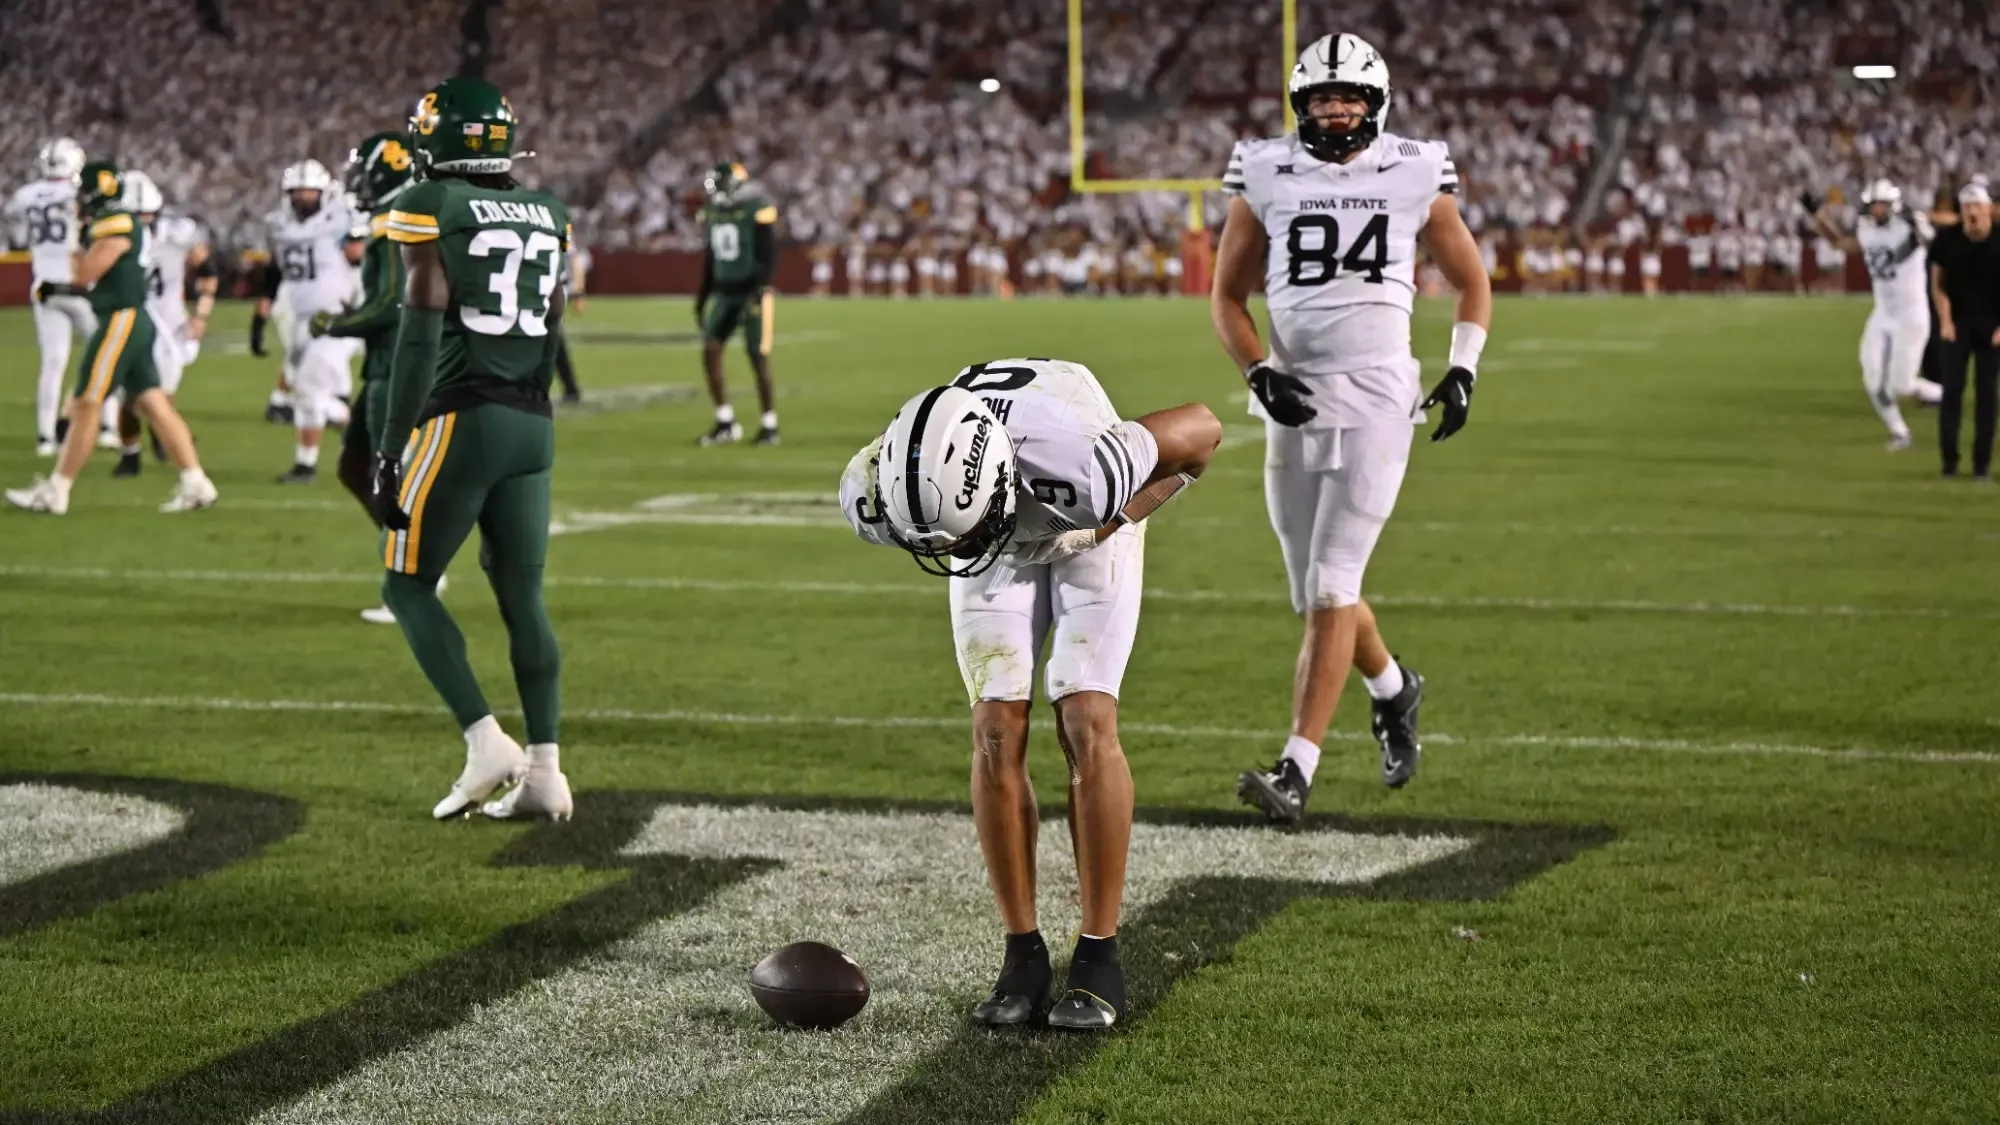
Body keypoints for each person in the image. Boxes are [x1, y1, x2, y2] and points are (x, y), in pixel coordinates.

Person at [839, 359, 1220, 1031]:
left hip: (1074, 514)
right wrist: (960, 528)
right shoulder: (874, 490)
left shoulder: (1085, 471)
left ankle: (1100, 953)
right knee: (993, 726)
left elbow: (1204, 433)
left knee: (1084, 713)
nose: (957, 548)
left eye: (963, 531)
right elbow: (930, 494)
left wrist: (1108, 522)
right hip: (1003, 495)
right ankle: (1023, 954)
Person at [1211, 32, 1492, 825]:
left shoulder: (1414, 166)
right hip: (1292, 400)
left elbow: (1471, 281)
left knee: (1333, 585)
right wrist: (1259, 371)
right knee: (1316, 596)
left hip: (1377, 399)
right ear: (1300, 106)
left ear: (1377, 103)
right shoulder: (1263, 168)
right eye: (1323, 98)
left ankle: (1296, 768)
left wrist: (1463, 366)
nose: (1337, 110)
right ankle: (1395, 689)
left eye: (1351, 97)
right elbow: (1226, 297)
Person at [374, 77, 573, 822]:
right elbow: (551, 322)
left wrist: (392, 447)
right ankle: (547, 770)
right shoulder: (551, 212)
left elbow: (419, 334)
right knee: (522, 591)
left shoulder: (427, 205)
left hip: (464, 416)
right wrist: (532, 399)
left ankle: (485, 739)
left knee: (405, 584)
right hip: (533, 419)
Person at [6, 162, 218, 515]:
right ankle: (196, 482)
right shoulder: (116, 221)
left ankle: (57, 489)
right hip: (130, 318)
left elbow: (89, 272)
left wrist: (73, 241)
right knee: (154, 404)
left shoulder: (115, 222)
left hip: (121, 321)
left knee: (88, 403)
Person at [314, 131, 421, 625]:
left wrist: (338, 323)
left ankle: (413, 581)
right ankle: (420, 560)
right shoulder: (396, 218)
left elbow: (391, 306)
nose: (358, 183)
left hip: (397, 365)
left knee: (389, 480)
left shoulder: (399, 222)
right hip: (385, 363)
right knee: (353, 467)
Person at [1804, 180, 1939, 451]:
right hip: (1883, 312)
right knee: (1872, 378)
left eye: (1882, 205)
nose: (1877, 211)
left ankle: (1952, 395)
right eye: (1873, 205)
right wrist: (1818, 216)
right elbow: (1841, 243)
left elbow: (1936, 237)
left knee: (1903, 385)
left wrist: (1923, 223)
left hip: (1911, 314)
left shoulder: (1908, 225)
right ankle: (1900, 433)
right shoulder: (1866, 228)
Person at [111, 170, 215, 476]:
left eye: (148, 215)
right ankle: (130, 454)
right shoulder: (111, 238)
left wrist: (201, 314)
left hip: (169, 323)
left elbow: (208, 272)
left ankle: (159, 433)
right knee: (128, 397)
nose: (143, 222)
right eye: (136, 215)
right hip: (129, 318)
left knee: (162, 392)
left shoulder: (177, 234)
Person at [266, 159, 364, 483]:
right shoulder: (279, 224)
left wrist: (357, 236)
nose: (303, 198)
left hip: (338, 316)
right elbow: (275, 268)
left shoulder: (341, 218)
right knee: (305, 388)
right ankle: (308, 463)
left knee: (308, 390)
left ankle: (358, 435)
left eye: (310, 192)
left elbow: (358, 253)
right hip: (302, 318)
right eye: (298, 192)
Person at [6, 138, 95, 456]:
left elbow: (18, 223)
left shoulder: (25, 195)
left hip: (44, 284)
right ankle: (110, 427)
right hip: (77, 285)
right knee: (106, 356)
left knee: (53, 362)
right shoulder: (81, 194)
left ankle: (45, 437)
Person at [694, 161, 779, 446]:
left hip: (751, 292)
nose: (715, 190)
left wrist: (761, 287)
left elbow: (768, 252)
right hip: (724, 293)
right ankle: (725, 421)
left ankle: (769, 424)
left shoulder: (757, 209)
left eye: (720, 184)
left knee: (757, 357)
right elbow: (711, 257)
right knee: (710, 350)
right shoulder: (713, 213)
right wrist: (703, 296)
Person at [1929, 182, 2000, 479]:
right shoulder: (1947, 240)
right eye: (1966, 206)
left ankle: (1981, 465)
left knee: (1987, 397)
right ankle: (1949, 462)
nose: (1971, 212)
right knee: (1951, 394)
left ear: (1988, 210)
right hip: (1956, 325)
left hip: (1992, 328)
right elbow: (1938, 283)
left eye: (1976, 206)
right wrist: (1945, 320)